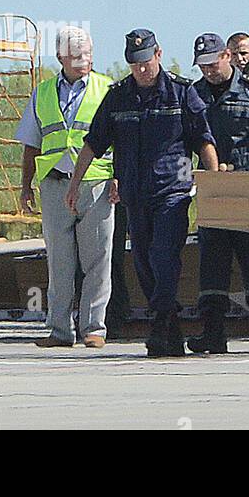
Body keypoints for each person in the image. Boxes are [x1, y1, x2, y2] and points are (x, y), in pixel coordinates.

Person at [68, 29, 219, 357]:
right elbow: (93, 143)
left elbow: (203, 140)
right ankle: (171, 327)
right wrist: (75, 184)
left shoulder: (181, 93)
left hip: (172, 192)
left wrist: (214, 183)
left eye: (146, 61)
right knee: (144, 264)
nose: (142, 69)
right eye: (135, 64)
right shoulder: (119, 96)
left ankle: (161, 322)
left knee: (164, 257)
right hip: (135, 196)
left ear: (158, 54)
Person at [17, 26, 116, 350]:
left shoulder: (107, 90)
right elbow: (31, 143)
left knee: (97, 260)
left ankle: (93, 328)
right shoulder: (43, 93)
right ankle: (60, 329)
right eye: (76, 55)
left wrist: (118, 178)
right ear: (61, 57)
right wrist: (26, 186)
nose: (83, 60)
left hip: (95, 185)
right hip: (56, 185)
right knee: (59, 261)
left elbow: (122, 141)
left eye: (87, 53)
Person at [186, 33, 249, 354]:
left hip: (247, 185)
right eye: (203, 66)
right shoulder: (193, 94)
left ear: (227, 56)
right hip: (212, 188)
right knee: (212, 261)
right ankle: (213, 332)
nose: (209, 71)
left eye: (214, 63)